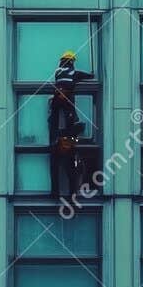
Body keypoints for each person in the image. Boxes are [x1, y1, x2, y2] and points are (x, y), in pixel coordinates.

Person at [48, 51, 95, 197]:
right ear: (71, 61)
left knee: (56, 112)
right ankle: (70, 193)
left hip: (58, 97)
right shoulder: (71, 71)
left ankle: (55, 192)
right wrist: (91, 75)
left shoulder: (58, 71)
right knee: (69, 110)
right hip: (67, 96)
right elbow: (81, 75)